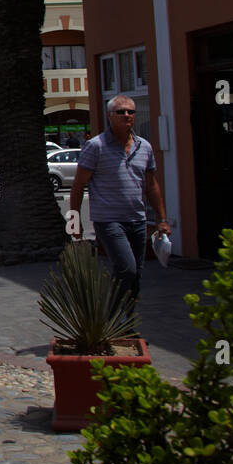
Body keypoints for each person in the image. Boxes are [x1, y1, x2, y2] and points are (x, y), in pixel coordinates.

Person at [69, 95, 171, 307]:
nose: (127, 115)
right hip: (108, 221)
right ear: (110, 116)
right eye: (121, 112)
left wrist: (162, 218)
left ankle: (126, 325)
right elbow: (78, 186)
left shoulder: (145, 147)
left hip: (137, 220)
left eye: (130, 112)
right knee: (126, 269)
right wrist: (74, 222)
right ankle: (112, 319)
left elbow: (152, 185)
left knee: (136, 275)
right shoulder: (95, 146)